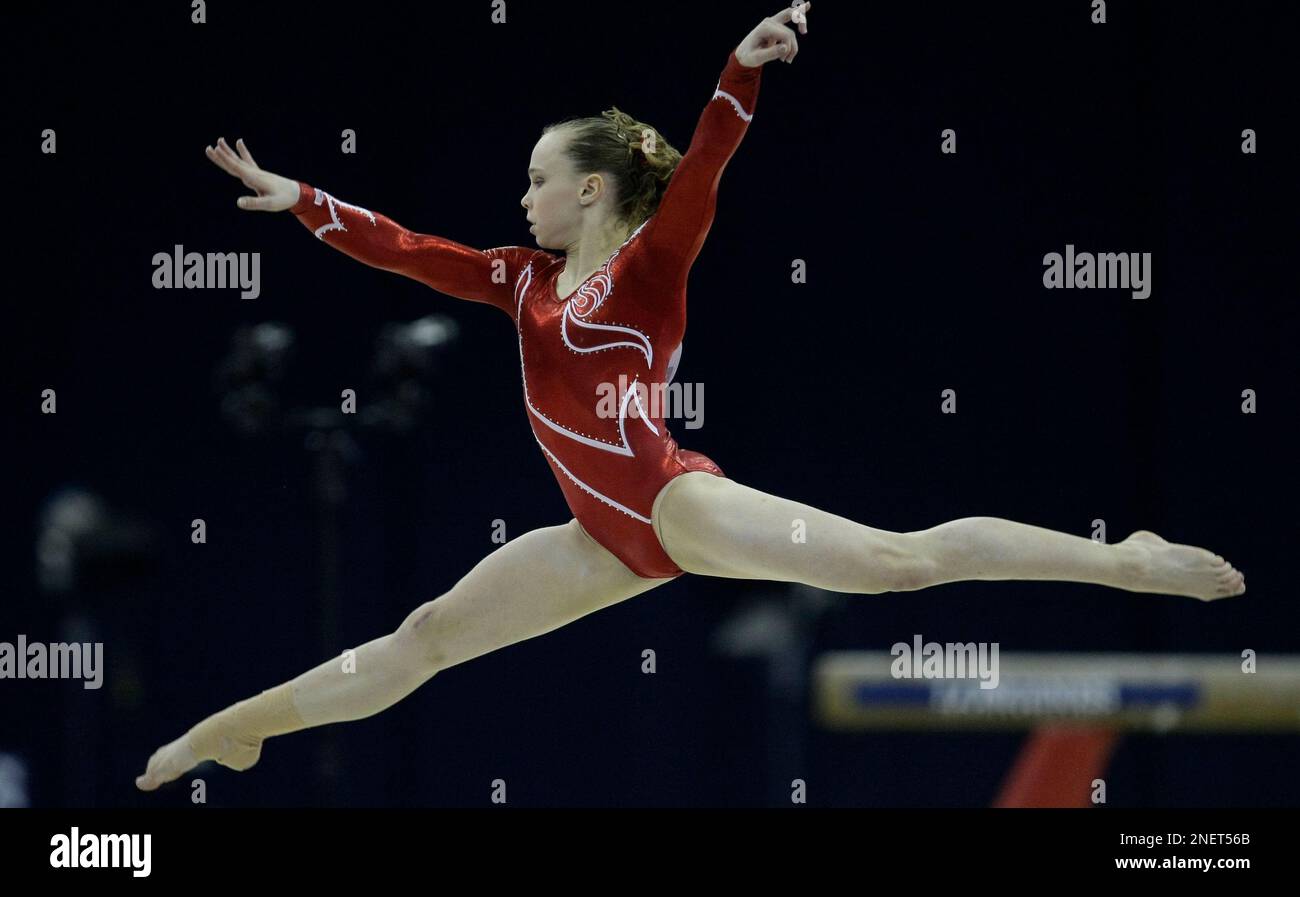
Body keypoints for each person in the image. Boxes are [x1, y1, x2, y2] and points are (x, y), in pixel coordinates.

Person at [137, 2, 1244, 792]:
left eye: (536, 179)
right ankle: (225, 733)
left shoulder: (651, 265)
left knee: (898, 563)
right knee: (423, 636)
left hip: (670, 501)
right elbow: (410, 248)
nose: (519, 197)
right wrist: (302, 199)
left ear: (591, 188)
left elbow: (706, 166)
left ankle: (1122, 558)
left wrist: (740, 69)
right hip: (596, 535)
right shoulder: (516, 278)